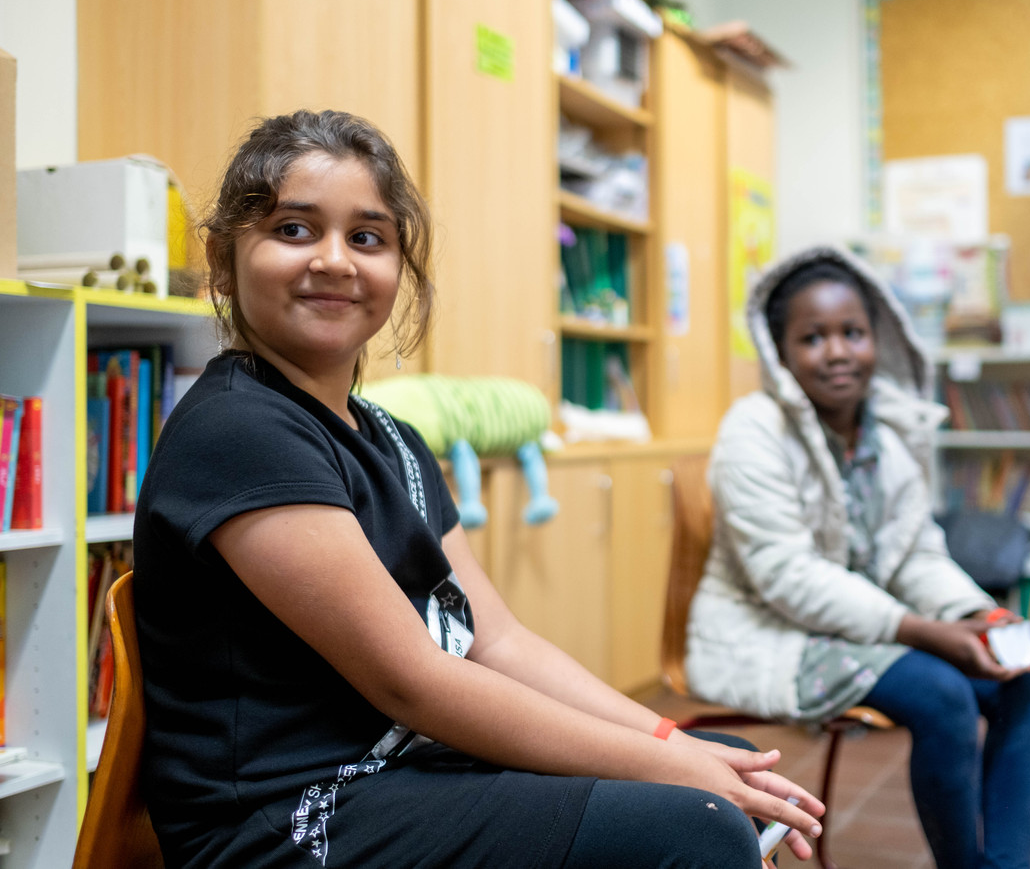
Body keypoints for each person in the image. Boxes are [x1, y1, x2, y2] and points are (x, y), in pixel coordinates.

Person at [132, 109, 824, 869]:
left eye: (367, 238)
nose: (334, 260)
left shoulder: (392, 438)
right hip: (291, 817)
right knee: (692, 820)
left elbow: (495, 642)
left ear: (400, 267)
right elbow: (416, 684)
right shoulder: (241, 431)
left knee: (716, 759)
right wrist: (677, 769)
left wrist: (667, 740)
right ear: (224, 260)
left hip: (397, 771)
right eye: (294, 230)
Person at [684, 245, 1030, 869]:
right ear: (779, 352)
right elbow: (786, 576)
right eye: (812, 337)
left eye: (852, 332)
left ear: (877, 339)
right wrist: (925, 631)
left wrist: (977, 614)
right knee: (941, 694)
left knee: (1024, 677)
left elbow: (913, 555)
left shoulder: (889, 436)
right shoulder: (752, 430)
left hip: (868, 628)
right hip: (777, 635)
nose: (837, 351)